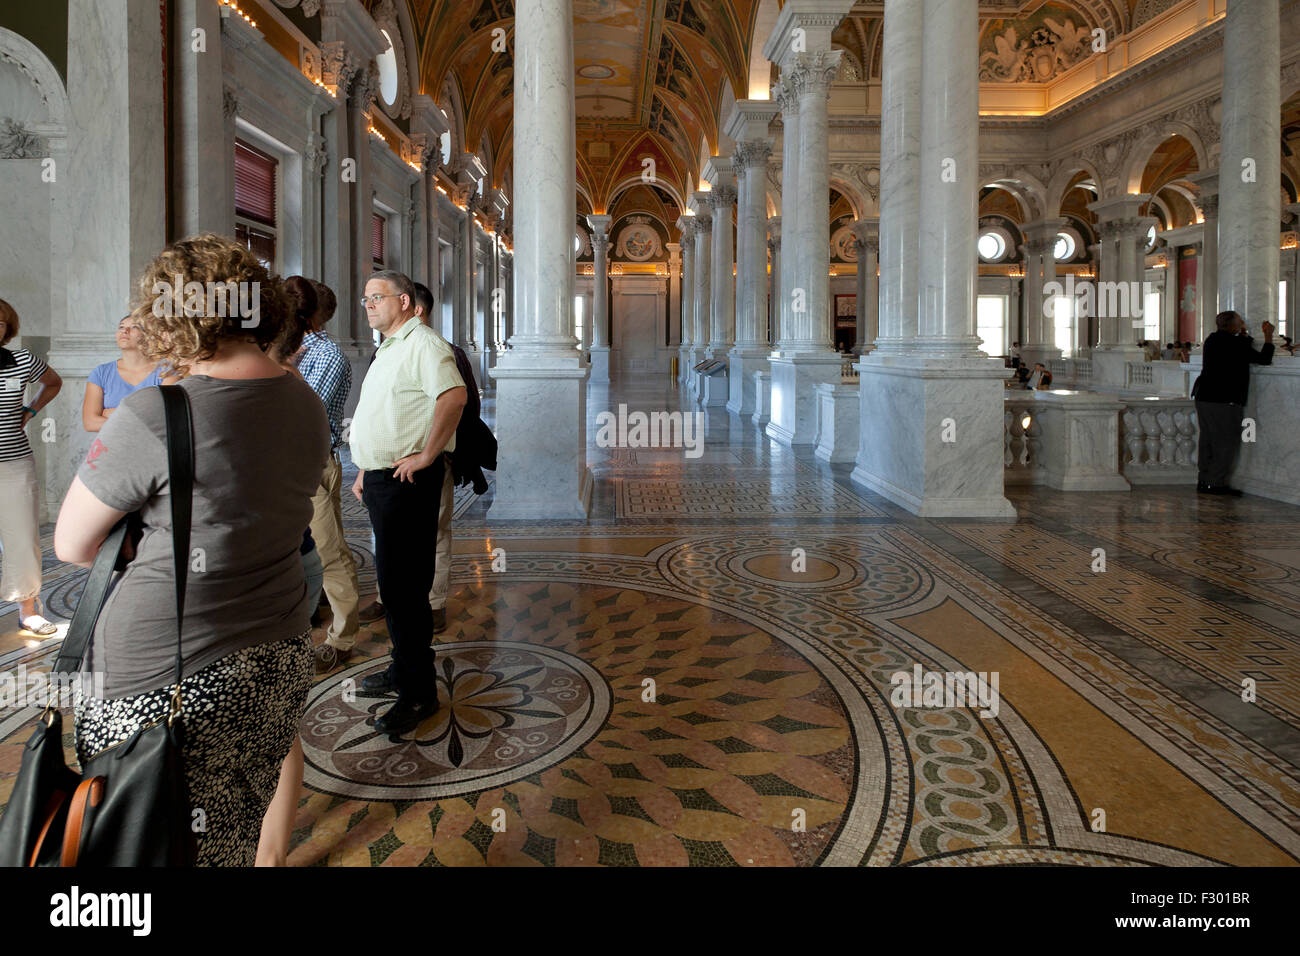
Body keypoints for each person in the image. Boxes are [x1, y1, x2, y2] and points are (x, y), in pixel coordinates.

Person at [53, 234, 330, 866]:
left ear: (171, 315)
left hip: (160, 663)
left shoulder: (155, 412)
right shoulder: (303, 399)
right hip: (276, 648)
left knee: (141, 836)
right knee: (226, 826)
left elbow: (71, 544)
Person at [349, 270, 466, 736]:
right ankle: (402, 669)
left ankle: (419, 694)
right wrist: (364, 464)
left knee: (405, 590)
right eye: (365, 299)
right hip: (382, 477)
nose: (368, 305)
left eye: (376, 297)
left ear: (403, 301)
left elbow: (453, 398)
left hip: (408, 482)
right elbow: (387, 410)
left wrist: (427, 453)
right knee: (393, 585)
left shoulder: (425, 345)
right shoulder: (391, 346)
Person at [294, 280, 365, 672]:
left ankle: (343, 635)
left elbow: (305, 411)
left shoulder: (328, 356)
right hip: (281, 464)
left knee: (329, 549)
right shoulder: (285, 352)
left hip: (315, 462)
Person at [0, 298, 63, 636]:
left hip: (12, 462)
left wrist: (32, 410)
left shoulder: (22, 360)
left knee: (22, 536)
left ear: (7, 329)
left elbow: (53, 382)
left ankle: (27, 608)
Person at [1190, 309, 1274, 496]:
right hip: (1224, 400)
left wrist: (1242, 335)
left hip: (1204, 396)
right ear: (1232, 325)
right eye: (1239, 321)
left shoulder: (1212, 340)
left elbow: (1240, 346)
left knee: (1208, 439)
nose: (1242, 322)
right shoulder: (1235, 344)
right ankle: (1216, 483)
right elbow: (1264, 359)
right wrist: (1268, 336)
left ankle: (1204, 480)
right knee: (1225, 441)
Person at [83, 316, 174, 431]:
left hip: (154, 447)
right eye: (121, 326)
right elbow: (90, 423)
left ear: (148, 336)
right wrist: (139, 419)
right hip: (111, 447)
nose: (124, 331)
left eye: (134, 327)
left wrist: (110, 413)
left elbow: (164, 419)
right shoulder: (101, 372)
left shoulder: (167, 371)